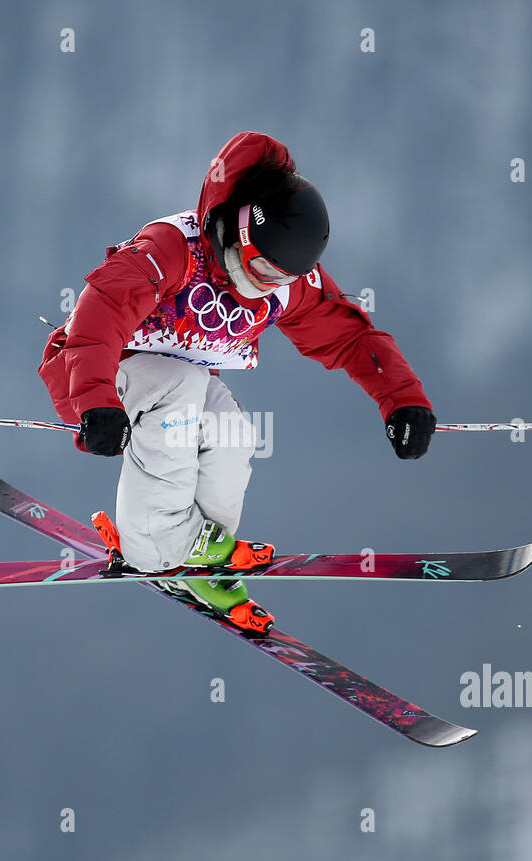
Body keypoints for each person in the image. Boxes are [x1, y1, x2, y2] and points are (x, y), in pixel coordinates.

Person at [38, 131, 435, 632]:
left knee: (232, 428)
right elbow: (103, 311)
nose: (271, 284)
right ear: (240, 233)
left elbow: (352, 336)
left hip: (170, 392)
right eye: (266, 268)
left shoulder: (286, 284)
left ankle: (200, 560)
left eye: (286, 276)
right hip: (92, 376)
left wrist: (402, 401)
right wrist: (95, 399)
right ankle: (155, 545)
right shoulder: (174, 249)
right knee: (179, 387)